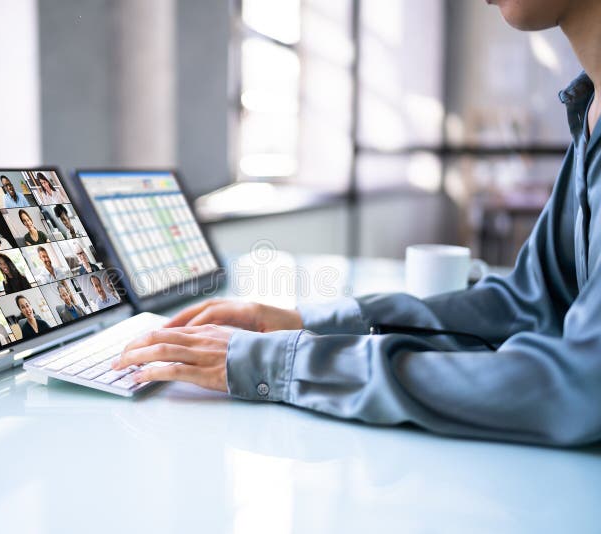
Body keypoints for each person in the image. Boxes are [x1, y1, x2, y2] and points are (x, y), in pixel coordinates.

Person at [113, 0, 601, 447]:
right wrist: (305, 323)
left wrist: (281, 361)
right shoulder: (590, 107)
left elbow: (582, 385)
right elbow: (526, 304)